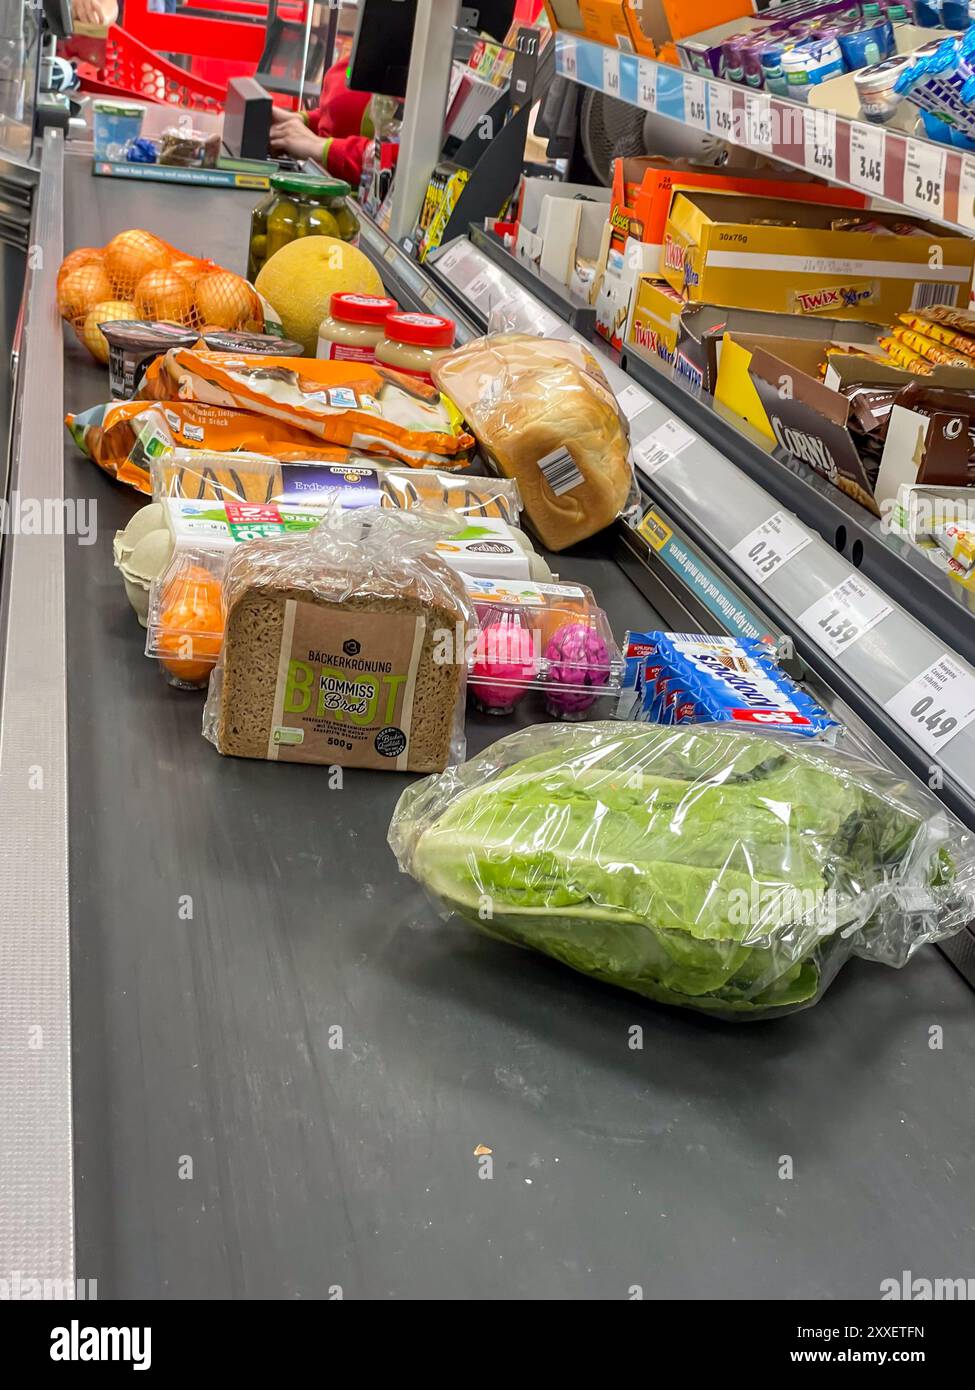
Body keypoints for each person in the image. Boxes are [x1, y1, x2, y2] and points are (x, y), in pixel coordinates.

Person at [269, 59, 374, 186]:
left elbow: (395, 162)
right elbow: (338, 112)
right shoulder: (359, 57)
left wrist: (322, 147)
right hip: (322, 177)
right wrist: (299, 121)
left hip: (356, 197)